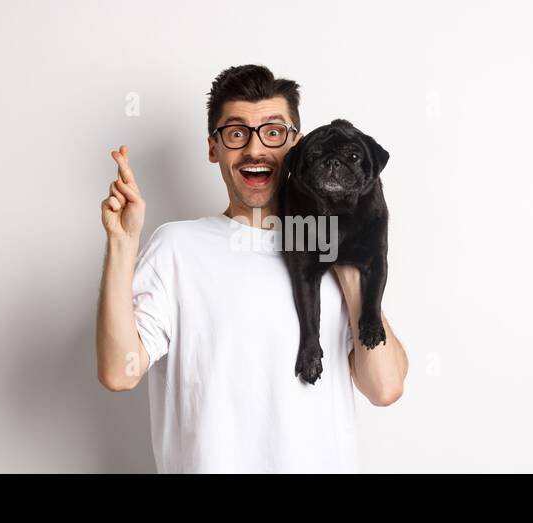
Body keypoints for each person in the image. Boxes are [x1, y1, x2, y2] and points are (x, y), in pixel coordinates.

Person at [95, 64, 408, 473]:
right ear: (213, 148)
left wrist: (347, 258)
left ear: (296, 145)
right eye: (237, 133)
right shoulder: (178, 249)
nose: (256, 150)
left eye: (273, 132)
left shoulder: (330, 245)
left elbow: (384, 387)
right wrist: (122, 244)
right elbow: (119, 372)